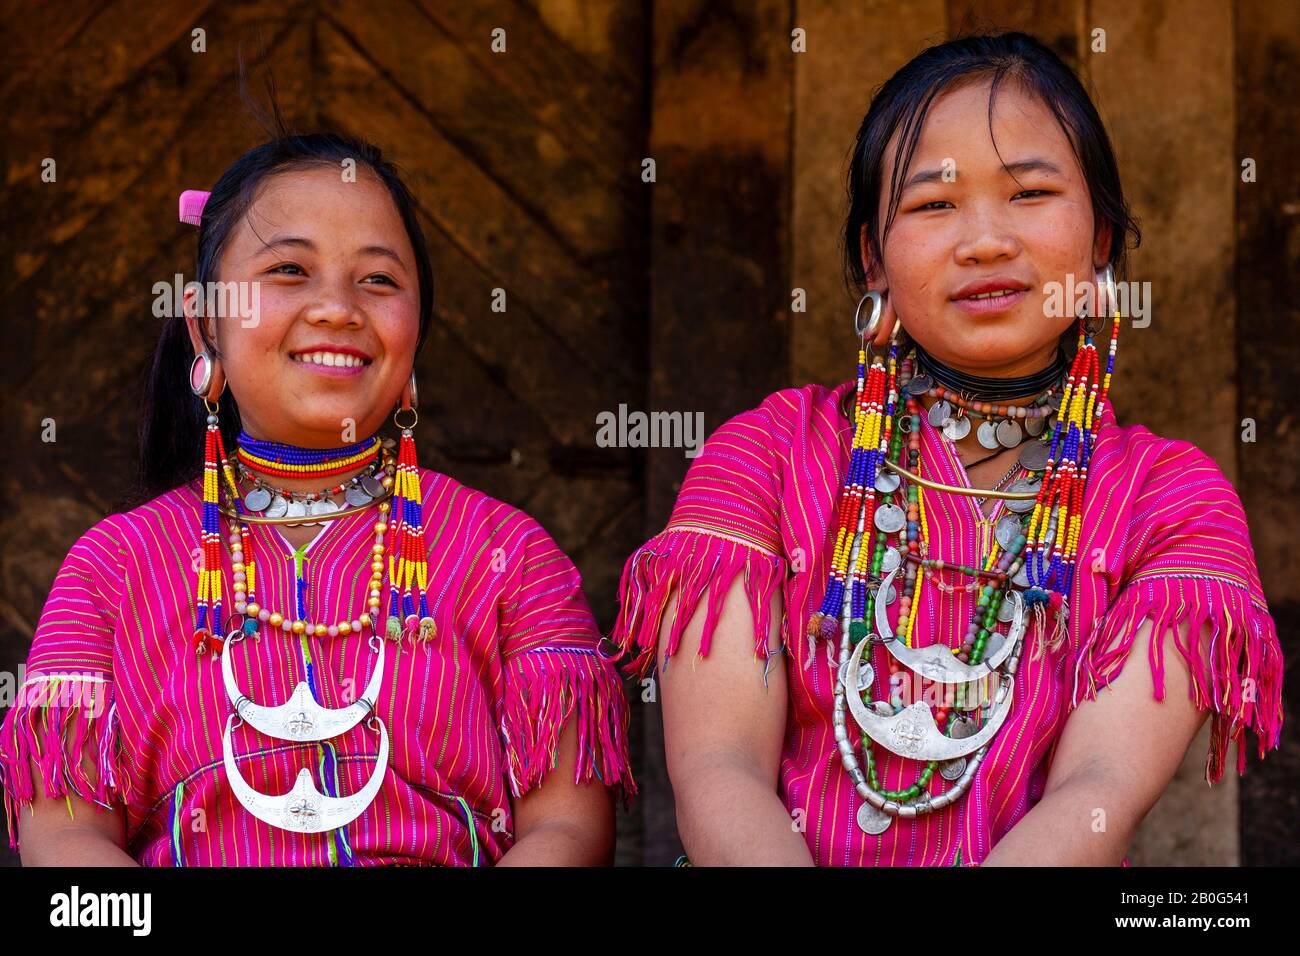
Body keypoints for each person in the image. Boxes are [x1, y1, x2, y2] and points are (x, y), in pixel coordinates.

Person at [610, 32, 1281, 866]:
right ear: (872, 260)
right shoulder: (768, 455)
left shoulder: (1172, 499)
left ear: (1103, 238)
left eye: (1031, 192)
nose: (986, 240)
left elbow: (1098, 792)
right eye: (934, 204)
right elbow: (718, 772)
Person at [0, 130, 634, 866]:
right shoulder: (111, 568)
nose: (337, 308)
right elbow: (65, 842)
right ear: (206, 324)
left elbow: (569, 834)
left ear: (416, 333)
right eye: (290, 269)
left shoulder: (509, 557)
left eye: (379, 281)